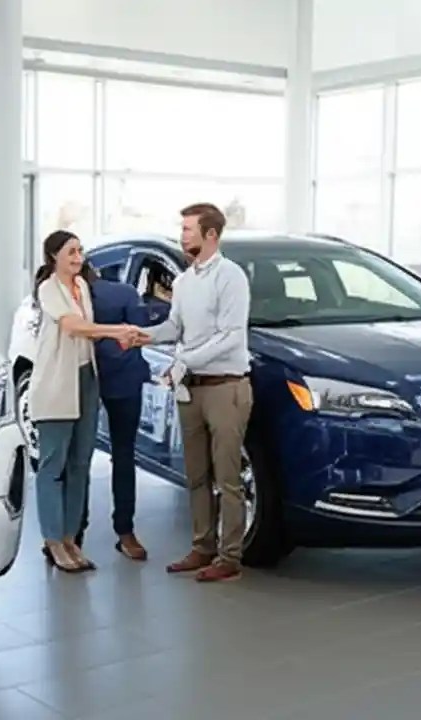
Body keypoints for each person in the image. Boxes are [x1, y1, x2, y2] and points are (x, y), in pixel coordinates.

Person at [143, 202, 252, 583]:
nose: (182, 235)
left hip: (225, 388)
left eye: (188, 229)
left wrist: (184, 361)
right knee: (196, 475)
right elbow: (174, 327)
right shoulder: (184, 282)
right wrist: (141, 335)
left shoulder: (230, 277)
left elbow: (231, 336)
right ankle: (202, 546)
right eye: (182, 228)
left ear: (211, 235)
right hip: (191, 389)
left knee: (228, 478)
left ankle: (229, 556)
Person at [30, 230, 147, 574]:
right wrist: (116, 330)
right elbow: (74, 326)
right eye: (71, 252)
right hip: (57, 382)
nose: (78, 257)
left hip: (86, 379)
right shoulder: (48, 288)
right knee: (53, 465)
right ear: (53, 256)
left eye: (80, 251)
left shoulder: (81, 286)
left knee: (81, 463)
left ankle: (70, 538)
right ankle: (53, 540)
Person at [73, 261, 154, 561]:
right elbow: (141, 332)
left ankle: (72, 534)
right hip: (122, 378)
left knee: (78, 457)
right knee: (123, 455)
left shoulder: (64, 298)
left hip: (81, 379)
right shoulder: (124, 294)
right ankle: (125, 532)